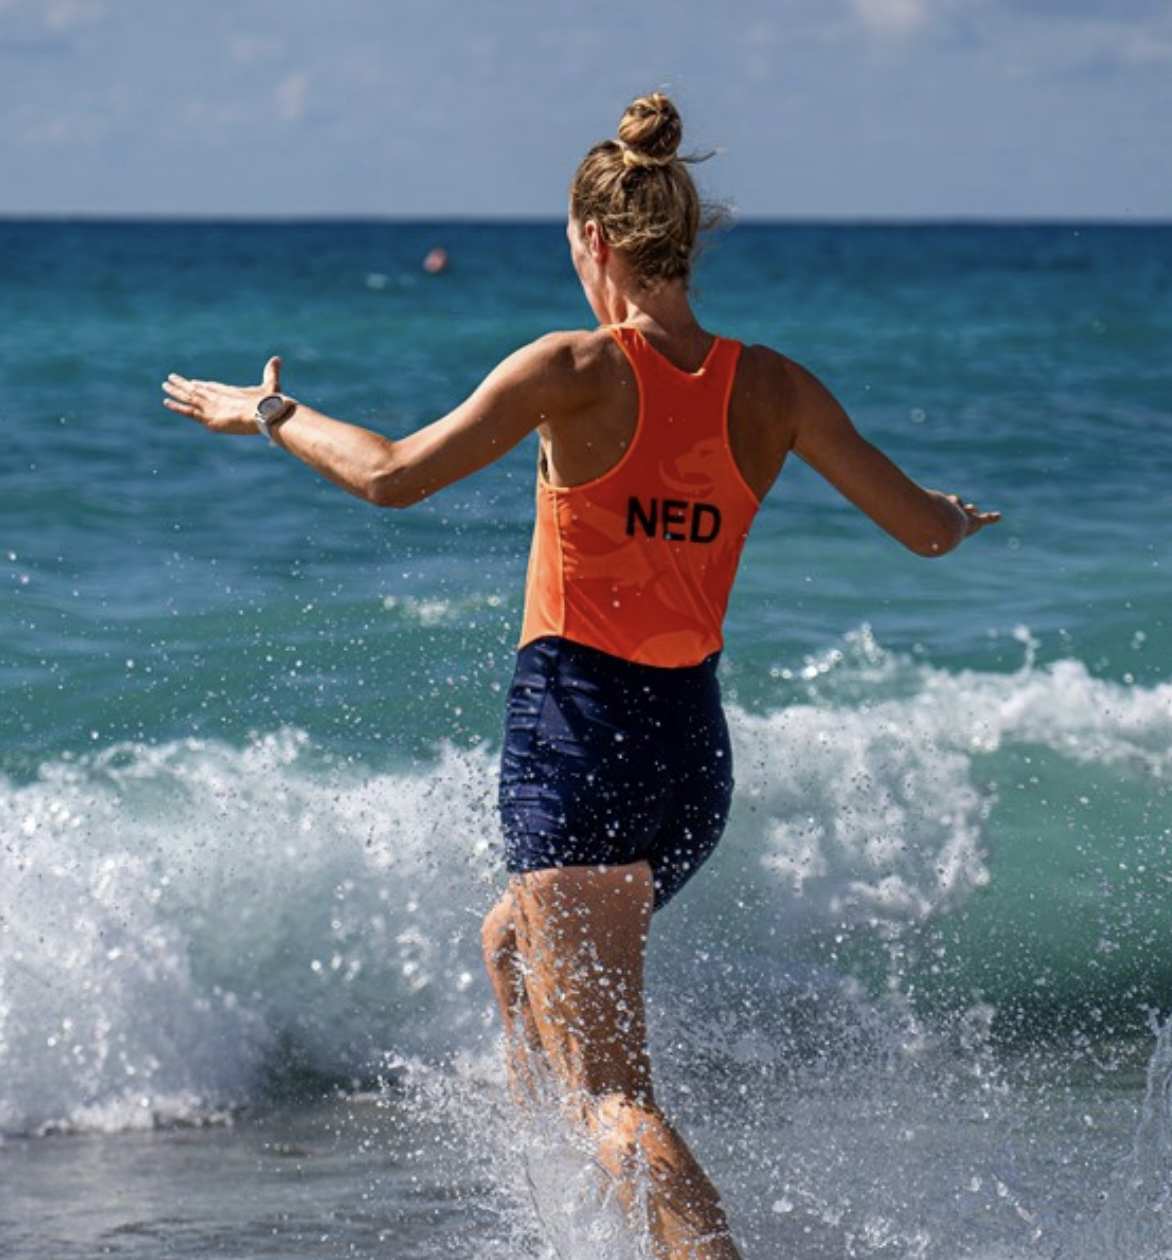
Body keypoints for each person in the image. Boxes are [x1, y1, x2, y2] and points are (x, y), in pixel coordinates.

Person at [163, 92, 999, 1260]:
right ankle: (577, 1233)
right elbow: (917, 528)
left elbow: (395, 475)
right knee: (506, 947)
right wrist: (955, 521)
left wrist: (270, 411)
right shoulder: (775, 387)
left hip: (577, 747)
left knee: (618, 1093)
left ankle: (684, 1240)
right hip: (688, 763)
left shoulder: (573, 369)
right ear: (684, 241)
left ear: (592, 243)